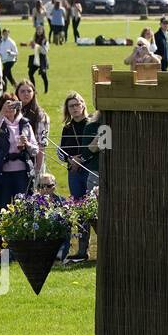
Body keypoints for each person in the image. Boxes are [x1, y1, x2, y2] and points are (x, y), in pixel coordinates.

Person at [60, 91, 101, 261]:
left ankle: (105, 244)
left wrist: (80, 159)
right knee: (80, 210)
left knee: (94, 208)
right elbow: (62, 151)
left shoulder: (92, 124)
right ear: (67, 109)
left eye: (77, 104)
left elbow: (96, 146)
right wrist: (70, 159)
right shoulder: (67, 128)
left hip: (90, 169)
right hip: (74, 172)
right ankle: (82, 251)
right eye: (71, 106)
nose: (75, 108)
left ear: (83, 105)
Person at [0, 93, 38, 210]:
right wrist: (1, 114)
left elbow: (35, 150)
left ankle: (22, 228)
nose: (10, 110)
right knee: (4, 208)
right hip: (3, 172)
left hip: (22, 173)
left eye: (12, 106)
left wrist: (27, 144)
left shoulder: (25, 124)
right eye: (6, 107)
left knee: (23, 209)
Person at [16, 80, 51, 180]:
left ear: (34, 93)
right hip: (14, 162)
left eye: (29, 91)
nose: (26, 94)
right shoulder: (11, 113)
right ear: (17, 94)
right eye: (22, 91)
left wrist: (38, 169)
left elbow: (41, 145)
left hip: (33, 160)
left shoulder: (40, 115)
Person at [26, 27, 50, 92]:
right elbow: (32, 49)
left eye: (40, 30)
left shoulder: (45, 40)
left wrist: (37, 46)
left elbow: (45, 51)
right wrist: (31, 45)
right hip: (35, 58)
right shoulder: (35, 39)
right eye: (37, 30)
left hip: (42, 59)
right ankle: (33, 89)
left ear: (43, 31)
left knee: (43, 74)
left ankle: (46, 90)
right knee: (30, 73)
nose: (39, 31)